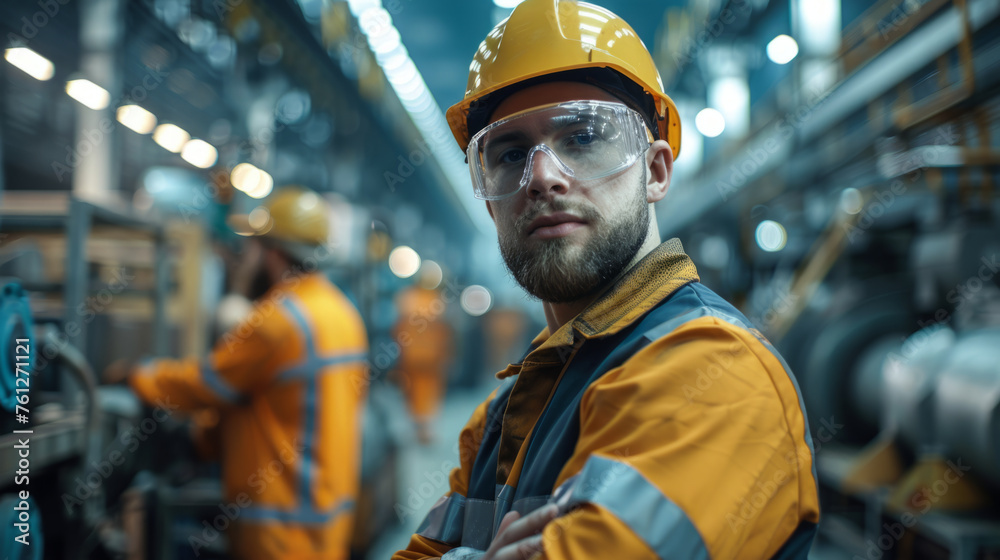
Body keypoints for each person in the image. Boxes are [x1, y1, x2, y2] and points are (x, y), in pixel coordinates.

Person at [392, 1, 820, 559]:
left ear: (656, 171)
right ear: (491, 203)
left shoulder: (715, 374)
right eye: (511, 153)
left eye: (584, 138)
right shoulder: (505, 413)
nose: (542, 176)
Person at [110, 185, 369, 560]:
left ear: (274, 253)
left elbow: (203, 384)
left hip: (279, 532)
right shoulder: (342, 312)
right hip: (326, 520)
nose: (245, 259)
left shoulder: (277, 321)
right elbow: (273, 399)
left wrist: (139, 377)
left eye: (252, 248)